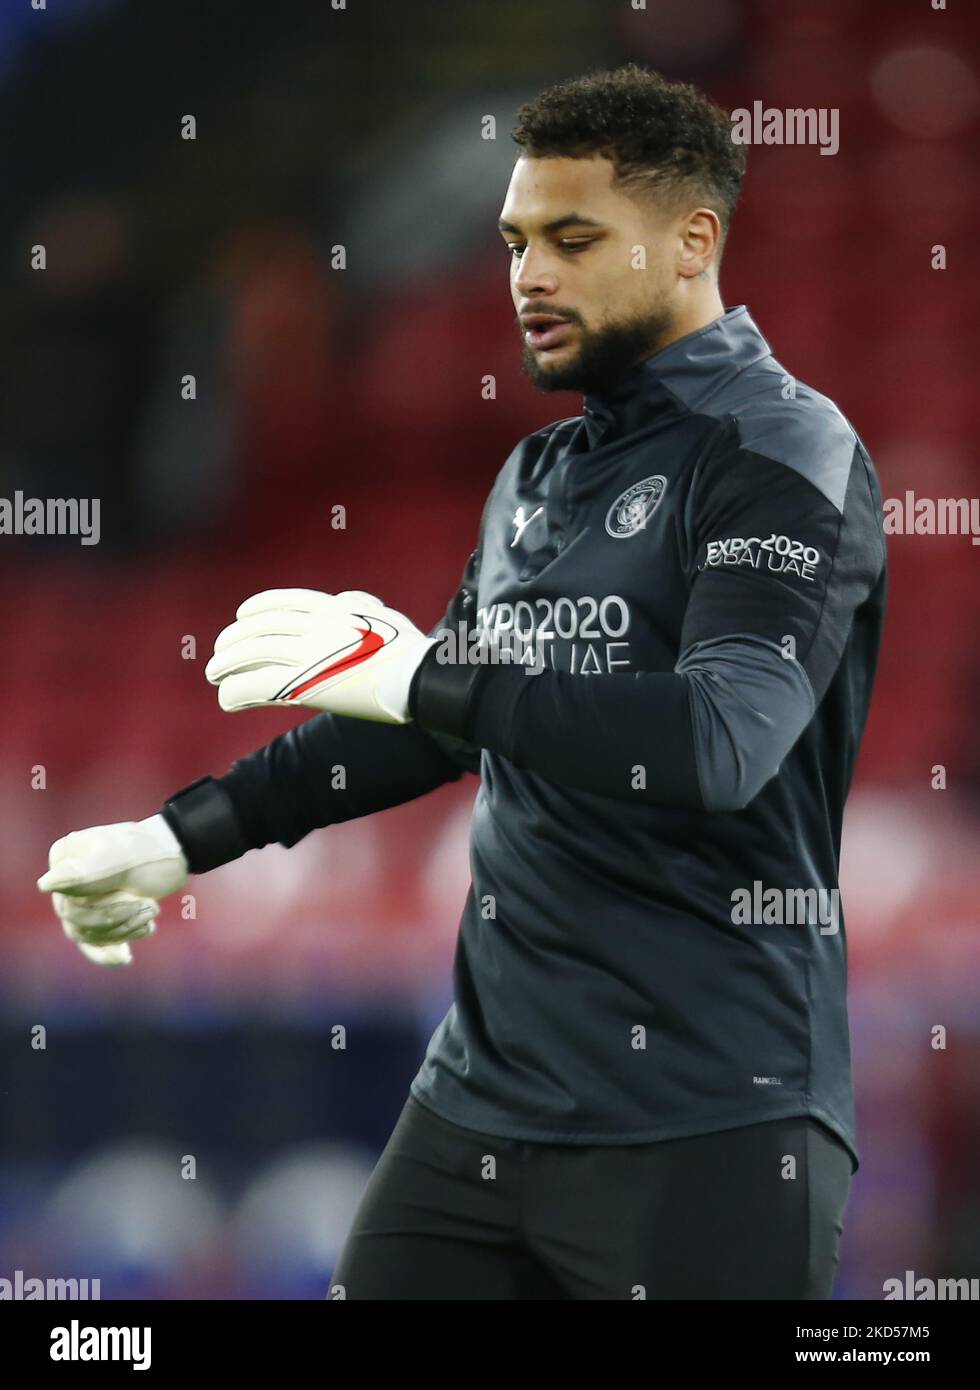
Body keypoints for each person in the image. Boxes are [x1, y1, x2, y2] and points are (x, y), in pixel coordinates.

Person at [39, 64, 887, 1299]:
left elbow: (716, 744)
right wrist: (181, 838)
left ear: (692, 239)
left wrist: (430, 675)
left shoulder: (780, 450)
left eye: (572, 238)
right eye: (513, 240)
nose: (526, 275)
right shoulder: (536, 475)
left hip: (709, 1123)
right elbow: (426, 723)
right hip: (474, 1118)